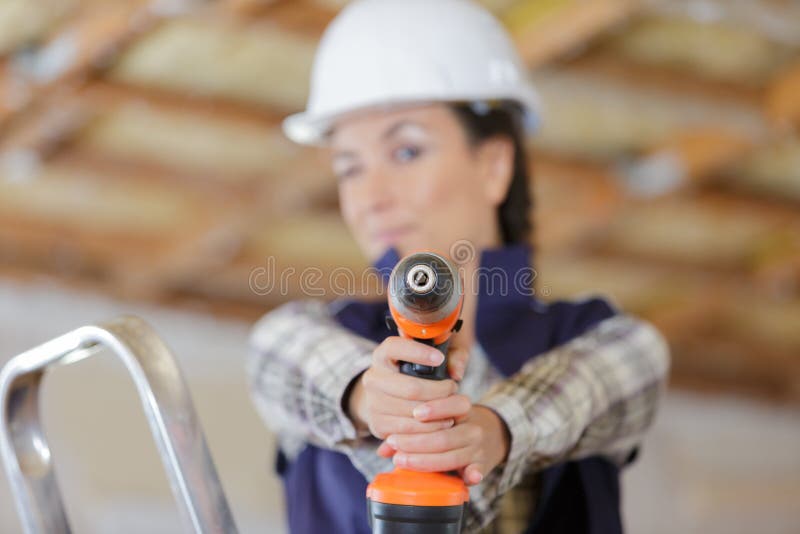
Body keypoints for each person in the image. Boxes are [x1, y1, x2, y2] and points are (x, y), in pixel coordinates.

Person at [246, 1, 670, 532]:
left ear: (494, 166)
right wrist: (365, 397)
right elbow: (279, 355)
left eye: (405, 153)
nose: (370, 197)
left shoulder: (600, 339)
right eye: (349, 168)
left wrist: (496, 430)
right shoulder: (308, 336)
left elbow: (623, 369)